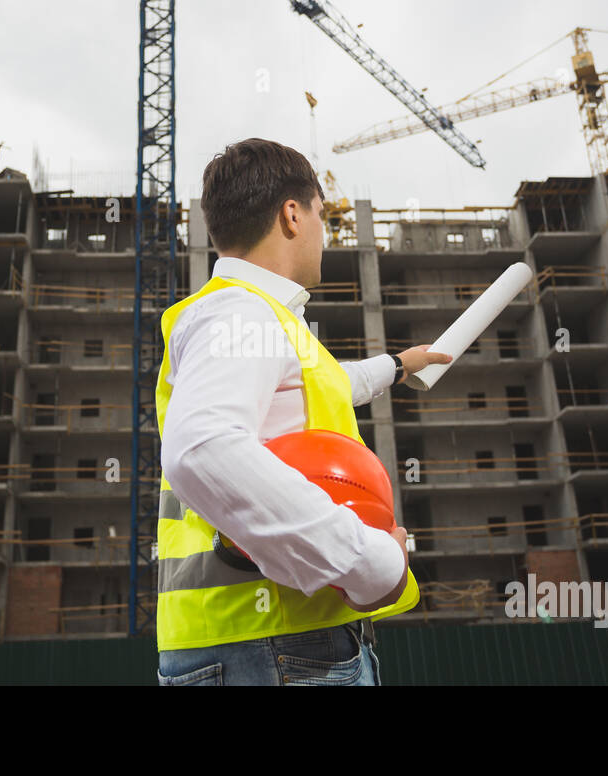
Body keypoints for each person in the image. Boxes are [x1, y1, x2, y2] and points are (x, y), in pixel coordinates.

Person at [153, 138, 451, 685]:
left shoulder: (255, 319)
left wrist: (399, 365)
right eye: (321, 213)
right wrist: (368, 561)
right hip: (272, 647)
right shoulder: (243, 315)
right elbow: (201, 447)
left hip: (260, 643)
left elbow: (324, 386)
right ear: (292, 214)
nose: (325, 230)